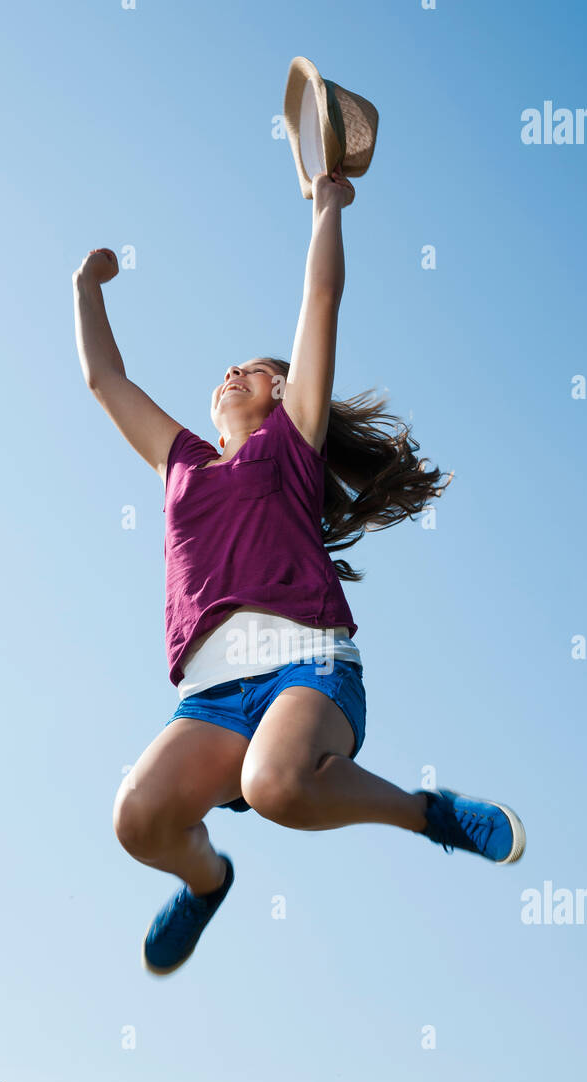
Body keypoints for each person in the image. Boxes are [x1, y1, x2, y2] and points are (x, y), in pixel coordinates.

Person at [72, 165, 525, 977]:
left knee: (277, 784)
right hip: (212, 694)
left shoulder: (293, 441)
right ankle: (206, 880)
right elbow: (107, 381)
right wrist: (86, 289)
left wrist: (328, 208)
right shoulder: (182, 462)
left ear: (280, 393)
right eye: (227, 369)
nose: (230, 374)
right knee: (137, 819)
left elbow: (320, 303)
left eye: (251, 369)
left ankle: (429, 815)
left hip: (307, 667)